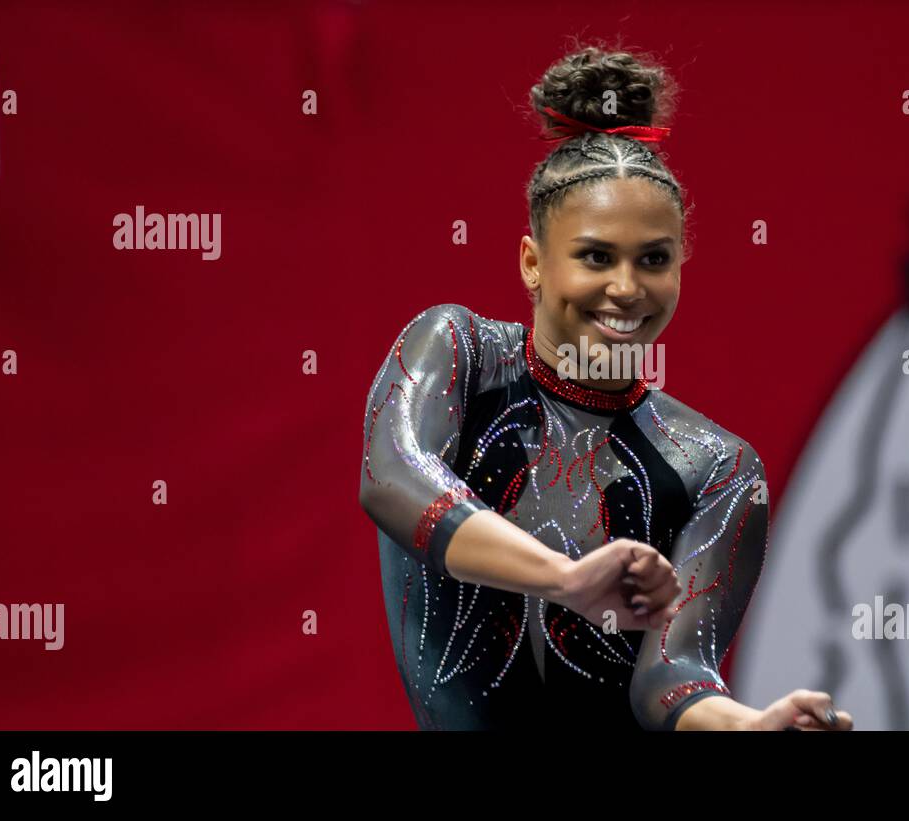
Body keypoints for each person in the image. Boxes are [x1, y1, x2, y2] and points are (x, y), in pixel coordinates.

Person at [359, 43, 853, 732]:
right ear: (533, 261)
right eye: (596, 256)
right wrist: (566, 579)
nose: (627, 288)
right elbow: (392, 480)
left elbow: (672, 674)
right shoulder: (458, 353)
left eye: (653, 259)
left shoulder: (718, 469)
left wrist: (746, 726)